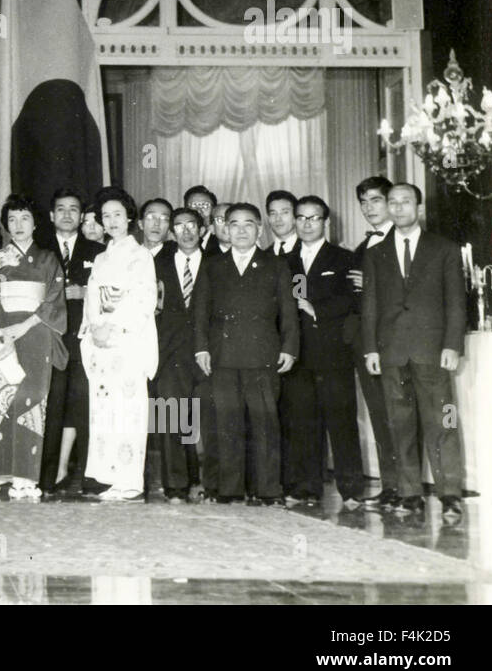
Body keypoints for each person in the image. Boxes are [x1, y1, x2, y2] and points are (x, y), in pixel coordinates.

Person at [361, 183, 466, 523]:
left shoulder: (443, 249)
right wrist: (370, 350)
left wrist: (453, 344)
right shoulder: (376, 254)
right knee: (400, 426)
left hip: (434, 352)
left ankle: (450, 494)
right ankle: (410, 495)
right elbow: (370, 305)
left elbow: (455, 302)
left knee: (444, 421)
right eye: (393, 202)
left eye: (406, 202)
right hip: (391, 353)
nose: (399, 207)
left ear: (419, 207)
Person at [193, 203, 299, 505]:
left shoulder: (276, 265)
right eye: (234, 224)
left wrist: (289, 348)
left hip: (263, 356)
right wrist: (201, 347)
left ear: (259, 229)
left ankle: (268, 490)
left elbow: (289, 313)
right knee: (227, 424)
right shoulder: (212, 265)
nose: (241, 230)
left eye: (248, 224)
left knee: (266, 424)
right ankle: (229, 489)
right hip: (223, 356)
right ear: (225, 228)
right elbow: (200, 312)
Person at [0, 194, 67, 500]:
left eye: (25, 218)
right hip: (3, 334)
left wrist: (25, 326)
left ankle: (26, 476)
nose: (18, 225)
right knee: (1, 400)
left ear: (35, 223)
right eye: (12, 219)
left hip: (36, 332)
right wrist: (3, 332)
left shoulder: (47, 259)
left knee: (31, 400)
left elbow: (54, 299)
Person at [281, 194, 363, 507]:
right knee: (304, 423)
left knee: (341, 422)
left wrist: (316, 308)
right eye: (300, 218)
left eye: (313, 218)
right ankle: (307, 488)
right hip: (299, 356)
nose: (306, 224)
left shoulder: (344, 258)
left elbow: (354, 300)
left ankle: (352, 489)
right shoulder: (285, 262)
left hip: (333, 355)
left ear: (325, 222)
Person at [79, 187, 158, 502]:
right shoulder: (100, 257)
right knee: (104, 412)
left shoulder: (141, 256)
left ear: (130, 218)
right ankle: (110, 477)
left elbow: (143, 299)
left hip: (126, 344)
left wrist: (113, 327)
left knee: (128, 412)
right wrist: (95, 327)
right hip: (100, 343)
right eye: (105, 216)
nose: (111, 221)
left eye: (117, 215)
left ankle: (130, 481)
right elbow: (91, 301)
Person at [43, 188, 105, 496]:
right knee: (54, 405)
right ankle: (53, 471)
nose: (67, 214)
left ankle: (90, 474)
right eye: (61, 209)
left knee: (85, 405)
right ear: (52, 215)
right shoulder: (39, 249)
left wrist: (85, 293)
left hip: (85, 340)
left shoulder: (97, 251)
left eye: (73, 209)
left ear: (81, 217)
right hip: (50, 339)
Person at [343, 175, 400, 510]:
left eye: (375, 200)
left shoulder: (405, 239)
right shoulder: (364, 247)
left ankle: (405, 488)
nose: (369, 208)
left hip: (396, 345)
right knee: (381, 417)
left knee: (399, 417)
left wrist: (374, 286)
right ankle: (392, 486)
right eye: (364, 202)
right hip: (368, 347)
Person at [153, 207, 209, 502]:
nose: (186, 231)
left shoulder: (217, 262)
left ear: (202, 230)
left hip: (208, 352)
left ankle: (206, 482)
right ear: (171, 232)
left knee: (203, 421)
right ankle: (175, 485)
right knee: (170, 418)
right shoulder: (155, 263)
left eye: (192, 225)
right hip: (169, 352)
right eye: (179, 226)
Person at [266, 189, 300, 256]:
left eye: (284, 212)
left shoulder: (309, 251)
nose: (278, 219)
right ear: (268, 219)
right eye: (273, 213)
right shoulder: (263, 256)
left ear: (296, 216)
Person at [183, 186, 217, 251]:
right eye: (194, 205)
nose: (199, 211)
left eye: (205, 206)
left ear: (214, 210)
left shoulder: (222, 241)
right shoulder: (174, 241)